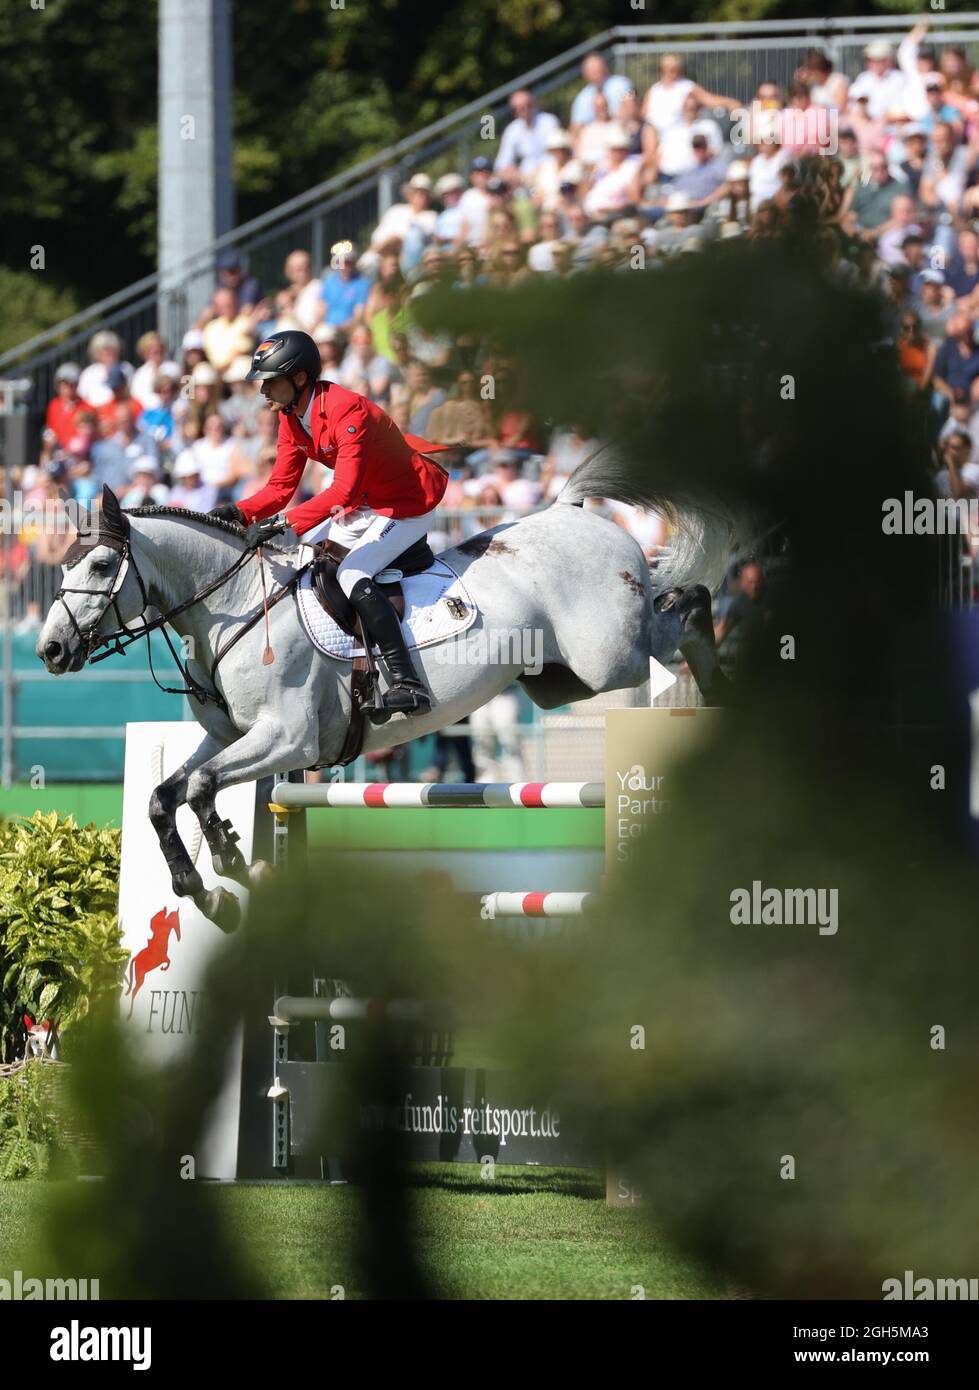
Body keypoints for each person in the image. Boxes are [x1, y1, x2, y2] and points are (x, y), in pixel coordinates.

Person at [211, 330, 452, 714]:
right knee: (295, 554)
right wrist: (237, 512)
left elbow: (340, 491)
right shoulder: (292, 417)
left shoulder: (347, 410)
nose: (263, 393)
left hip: (406, 504)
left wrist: (282, 523)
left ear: (300, 378)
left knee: (353, 574)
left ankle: (409, 683)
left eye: (270, 382)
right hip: (365, 503)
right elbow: (279, 486)